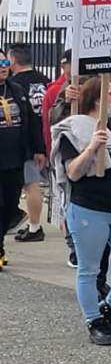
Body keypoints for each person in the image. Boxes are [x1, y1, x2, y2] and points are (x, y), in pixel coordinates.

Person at [53, 77, 111, 344]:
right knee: (90, 269)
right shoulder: (76, 128)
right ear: (98, 99)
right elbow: (72, 172)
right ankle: (94, 320)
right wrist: (93, 146)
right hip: (90, 208)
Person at [0, 50, 44, 270]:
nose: (3, 66)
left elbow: (33, 122)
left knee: (10, 206)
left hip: (15, 159)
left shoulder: (17, 90)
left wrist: (38, 149)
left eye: (5, 62)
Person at [8, 46, 51, 243]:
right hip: (45, 136)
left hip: (25, 142)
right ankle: (32, 223)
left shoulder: (14, 85)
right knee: (33, 184)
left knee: (30, 184)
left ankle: (33, 226)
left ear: (13, 60)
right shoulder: (44, 80)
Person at [42, 51, 74, 265]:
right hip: (65, 156)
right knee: (68, 201)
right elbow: (49, 122)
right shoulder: (56, 90)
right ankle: (73, 245)